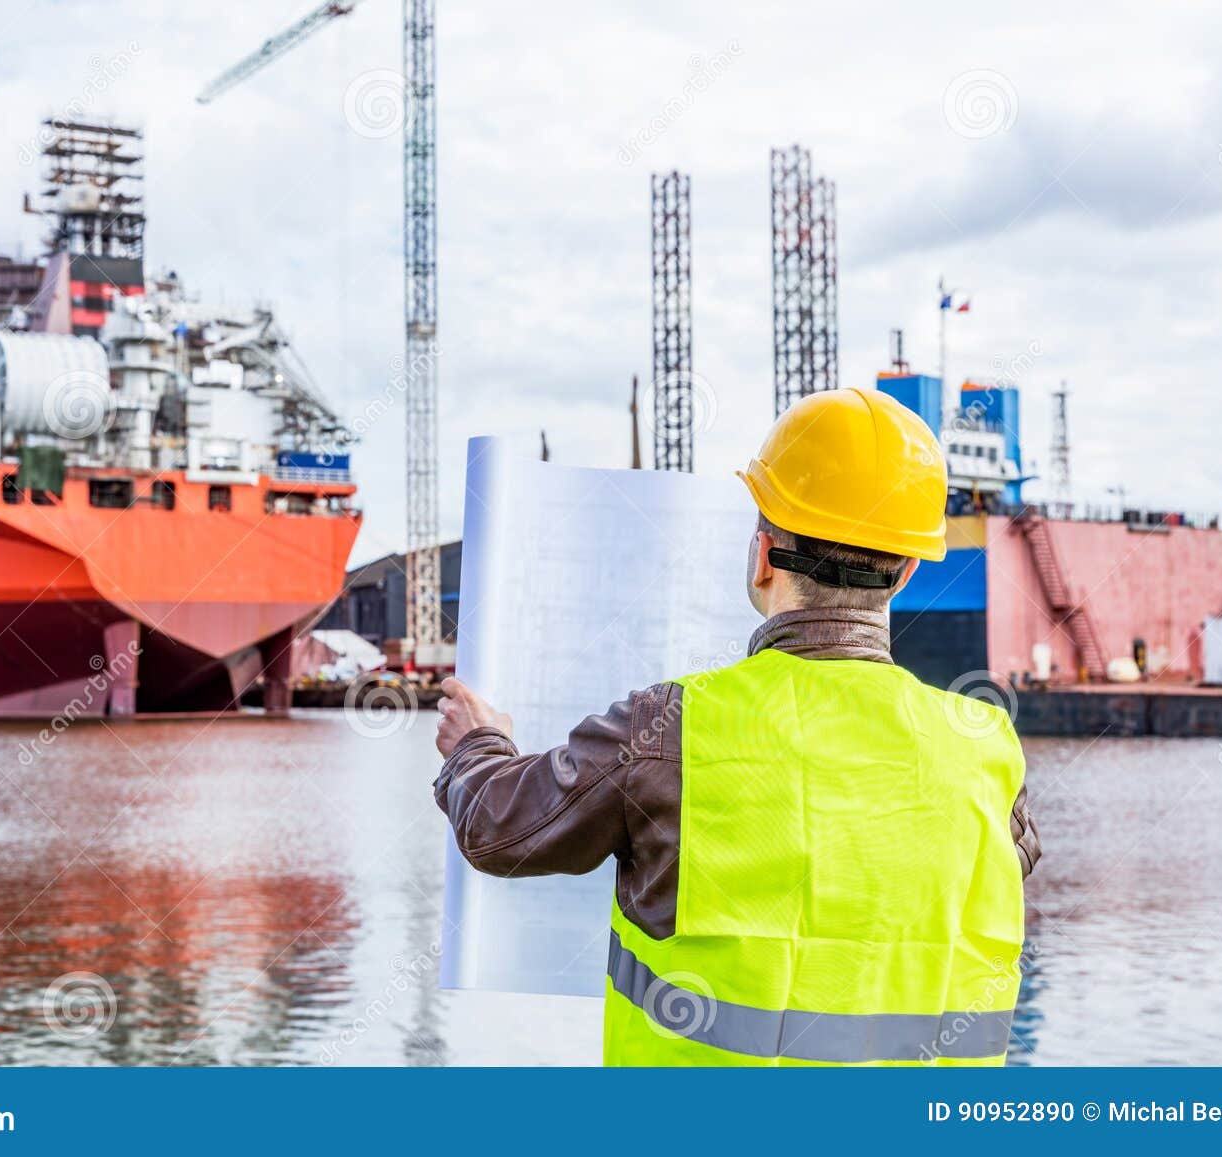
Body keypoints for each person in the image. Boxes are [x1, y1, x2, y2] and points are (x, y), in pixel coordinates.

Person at [433, 387, 1040, 1067]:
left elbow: (500, 828)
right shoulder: (986, 750)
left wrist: (476, 744)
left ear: (762, 556)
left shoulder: (669, 727)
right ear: (903, 573)